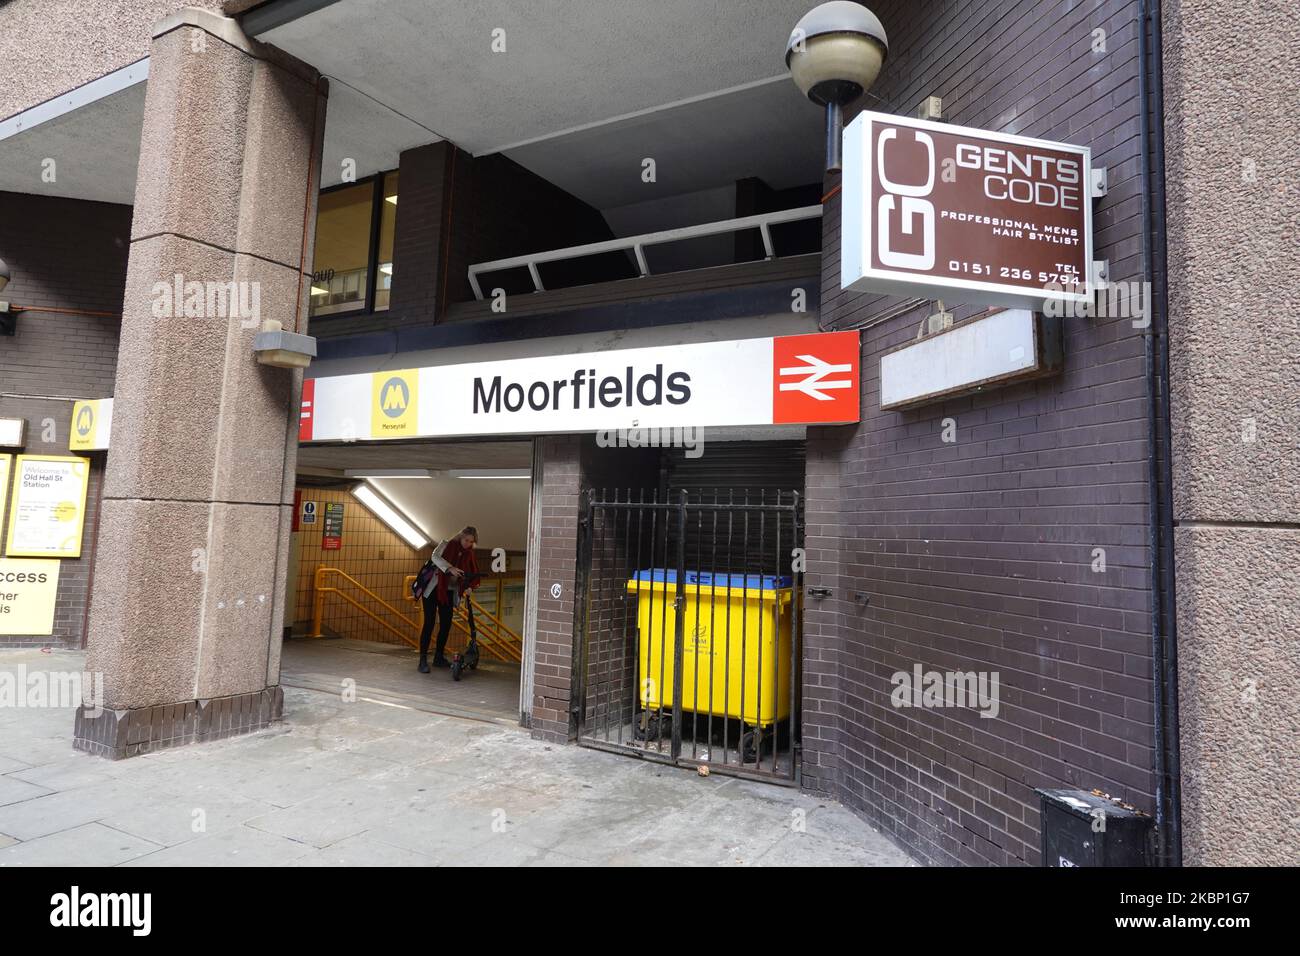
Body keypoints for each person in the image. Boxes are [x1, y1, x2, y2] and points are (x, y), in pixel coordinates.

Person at [415, 526, 480, 672]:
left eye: (471, 541)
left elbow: (471, 573)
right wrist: (449, 568)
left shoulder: (469, 554)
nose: (468, 543)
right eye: (466, 540)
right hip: (433, 590)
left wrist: (469, 586)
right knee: (429, 623)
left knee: (446, 624)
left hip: (450, 592)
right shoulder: (446, 544)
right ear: (460, 537)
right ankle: (423, 660)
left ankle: (438, 657)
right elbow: (435, 556)